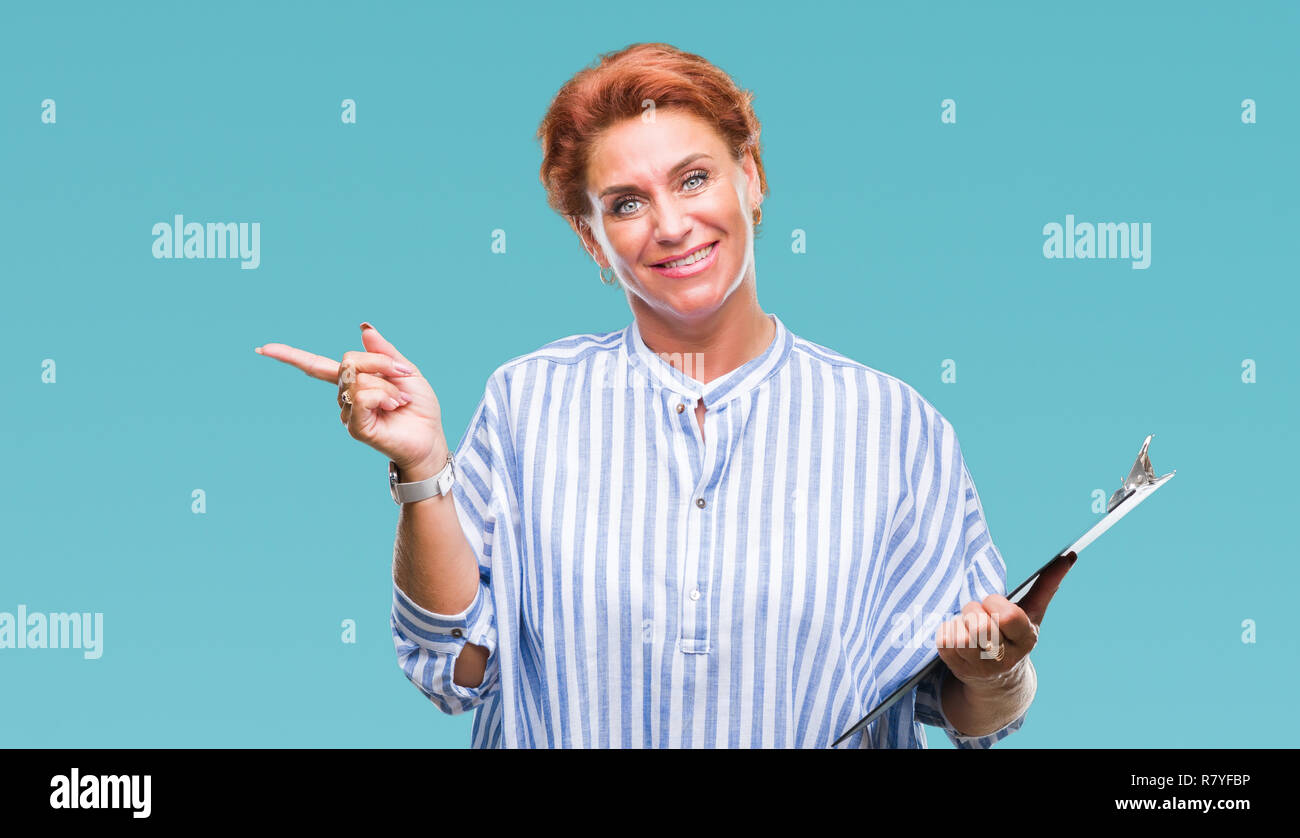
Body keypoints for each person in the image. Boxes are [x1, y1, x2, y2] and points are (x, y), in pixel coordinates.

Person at [256, 42, 1074, 748]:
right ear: (591, 238)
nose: (672, 225)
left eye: (693, 178)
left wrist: (995, 670)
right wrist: (425, 467)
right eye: (626, 204)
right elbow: (454, 669)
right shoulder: (527, 403)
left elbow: (975, 713)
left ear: (750, 178)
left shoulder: (896, 430)